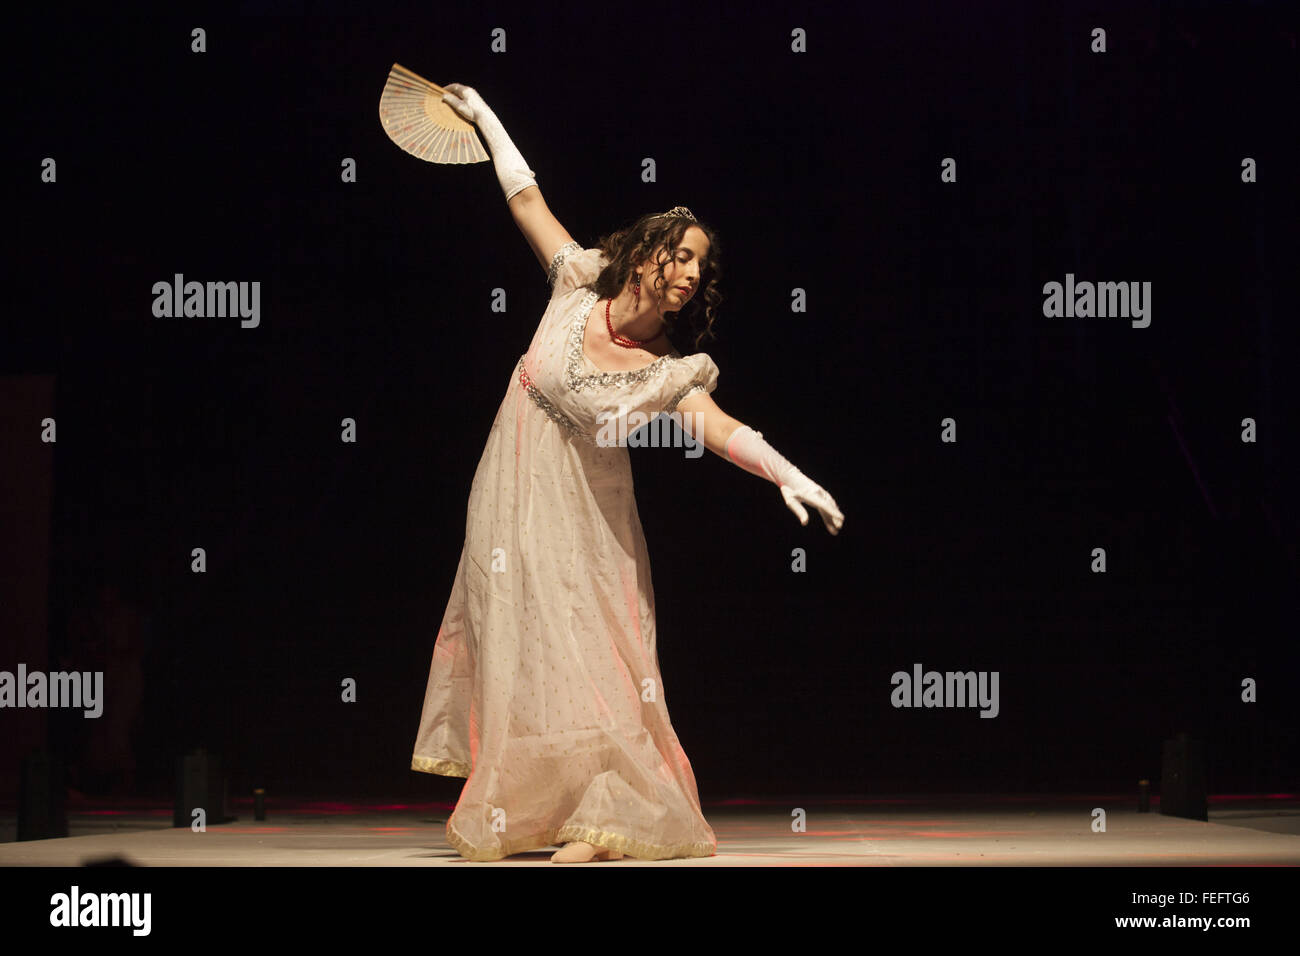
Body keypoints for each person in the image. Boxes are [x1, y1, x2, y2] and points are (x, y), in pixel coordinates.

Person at [411, 83, 845, 863]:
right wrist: (484, 116)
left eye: (700, 264)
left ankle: (608, 813)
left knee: (599, 651)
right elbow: (525, 199)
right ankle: (536, 811)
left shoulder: (665, 370)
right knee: (518, 639)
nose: (689, 272)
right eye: (680, 255)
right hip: (509, 493)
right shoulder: (579, 282)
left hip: (588, 515)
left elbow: (718, 430)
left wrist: (788, 473)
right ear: (646, 254)